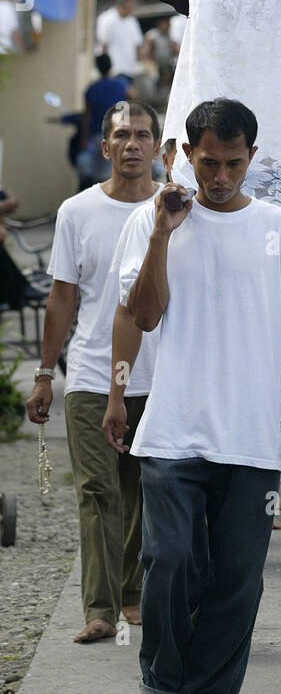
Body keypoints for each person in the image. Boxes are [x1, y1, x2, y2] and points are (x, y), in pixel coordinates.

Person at [118, 97, 281, 694]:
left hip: (250, 438)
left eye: (234, 164)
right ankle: (162, 675)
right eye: (209, 163)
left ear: (252, 157)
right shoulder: (150, 222)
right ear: (186, 155)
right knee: (167, 561)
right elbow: (143, 313)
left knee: (238, 576)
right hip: (170, 432)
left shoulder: (279, 227)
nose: (220, 178)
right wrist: (164, 232)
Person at [25, 102, 162, 643]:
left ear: (158, 147)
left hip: (159, 376)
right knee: (97, 492)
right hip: (88, 376)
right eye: (122, 135)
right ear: (105, 148)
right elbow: (62, 297)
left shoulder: (176, 210)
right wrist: (43, 374)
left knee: (144, 495)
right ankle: (99, 609)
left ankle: (132, 594)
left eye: (142, 135)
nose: (132, 144)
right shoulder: (76, 212)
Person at [77, 55, 129, 185]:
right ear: (111, 65)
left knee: (99, 178)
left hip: (97, 137)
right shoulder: (121, 85)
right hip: (118, 135)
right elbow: (132, 103)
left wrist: (84, 139)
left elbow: (86, 117)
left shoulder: (92, 88)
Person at [96, 0, 143, 87]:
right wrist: (104, 70)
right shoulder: (107, 19)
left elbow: (138, 44)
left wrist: (139, 64)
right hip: (114, 69)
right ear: (122, 6)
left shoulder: (132, 21)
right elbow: (103, 44)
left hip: (129, 69)